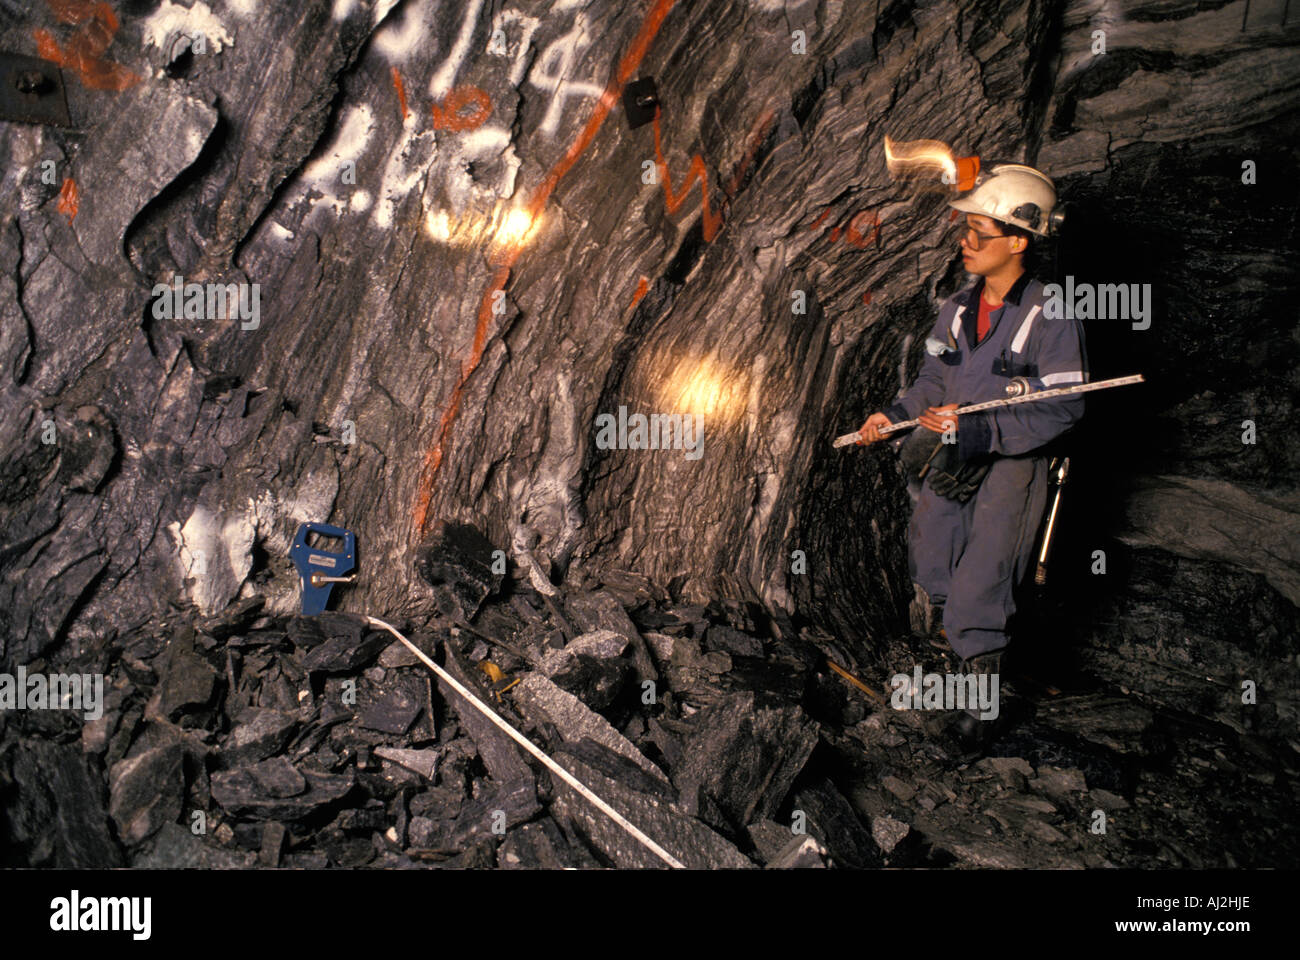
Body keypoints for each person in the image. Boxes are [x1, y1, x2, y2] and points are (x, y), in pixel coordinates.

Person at [857, 164, 1087, 745]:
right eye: (966, 229)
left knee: (981, 582)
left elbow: (1064, 407)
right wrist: (895, 414)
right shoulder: (957, 309)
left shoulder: (1051, 312)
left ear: (1018, 241)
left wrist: (983, 432)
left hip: (1015, 463)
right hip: (953, 458)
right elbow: (935, 378)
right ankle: (955, 664)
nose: (966, 241)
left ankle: (978, 713)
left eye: (979, 232)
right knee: (932, 559)